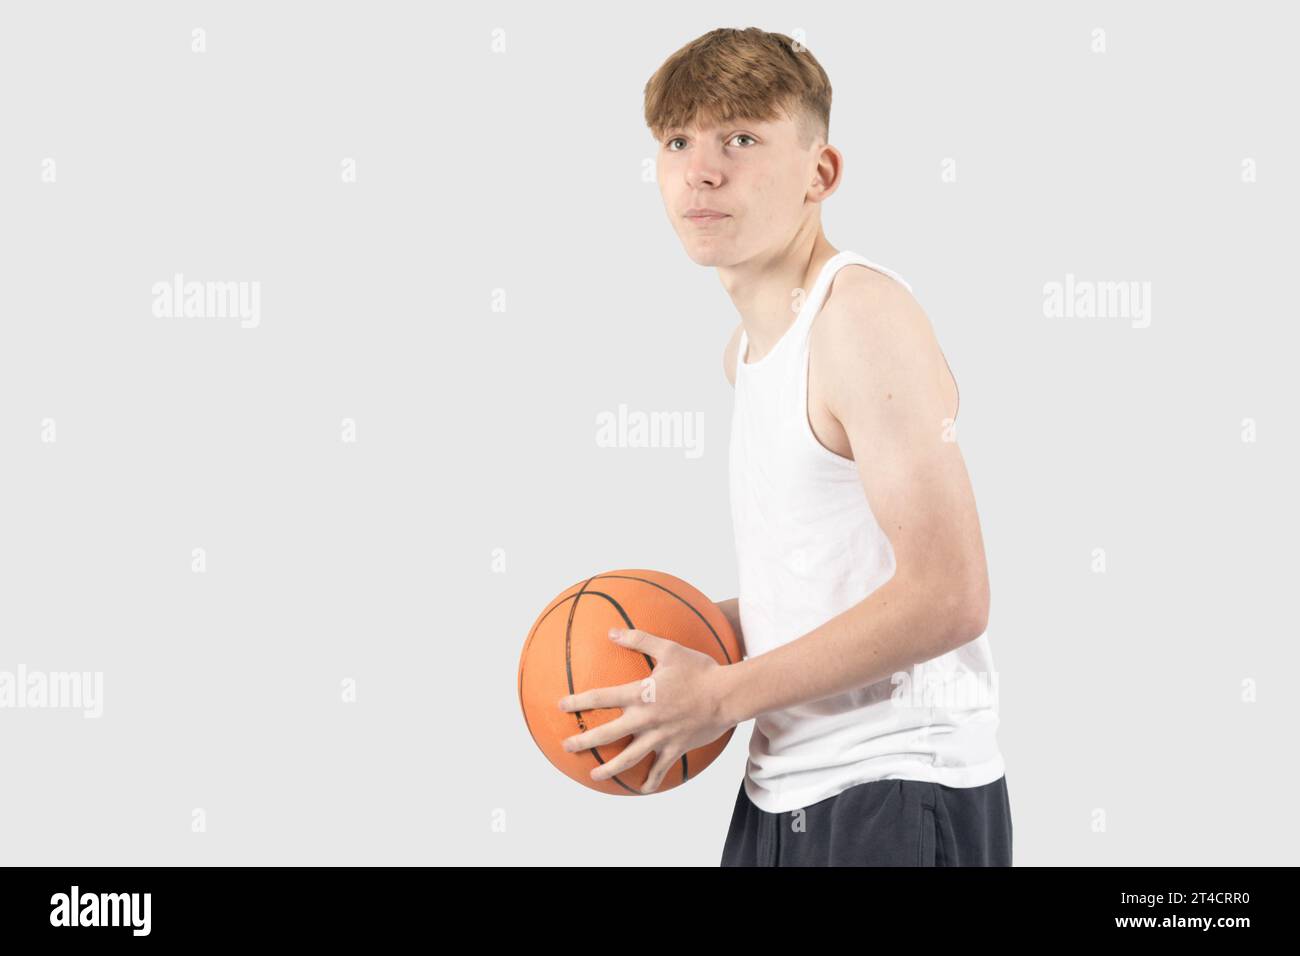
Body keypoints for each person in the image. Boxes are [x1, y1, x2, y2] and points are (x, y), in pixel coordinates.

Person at [557, 26, 1012, 866]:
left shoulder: (861, 319)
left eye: (742, 138)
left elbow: (952, 595)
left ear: (821, 174)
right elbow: (830, 576)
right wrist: (688, 636)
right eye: (678, 140)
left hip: (896, 787)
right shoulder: (746, 353)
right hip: (781, 785)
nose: (703, 168)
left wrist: (721, 694)